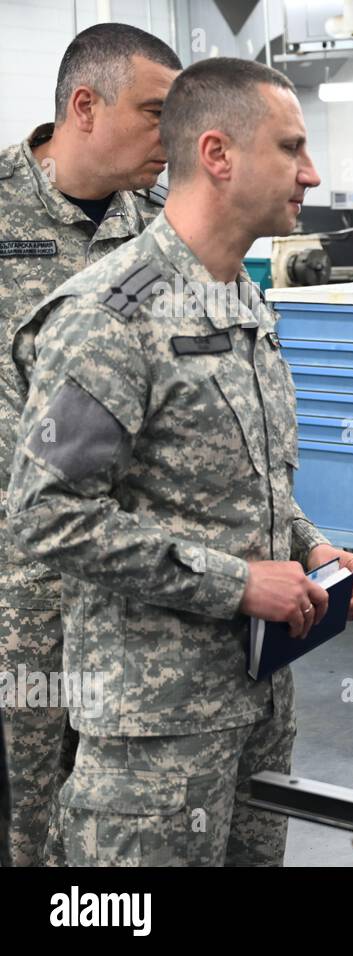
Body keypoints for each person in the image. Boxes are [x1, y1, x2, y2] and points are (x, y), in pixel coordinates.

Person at [5, 57, 353, 866]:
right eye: (291, 148)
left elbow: (244, 475)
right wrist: (237, 582)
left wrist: (312, 546)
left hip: (258, 696)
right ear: (217, 155)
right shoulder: (108, 315)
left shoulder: (240, 295)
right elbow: (45, 515)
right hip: (154, 732)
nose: (312, 173)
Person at [0, 22, 180, 867]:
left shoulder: (160, 230)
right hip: (20, 587)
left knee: (121, 805)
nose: (172, 139)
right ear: (84, 107)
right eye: (155, 114)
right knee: (28, 802)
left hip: (128, 578)